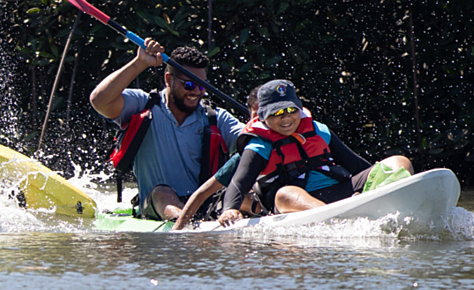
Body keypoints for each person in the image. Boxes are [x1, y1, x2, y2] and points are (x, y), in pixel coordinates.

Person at [216, 80, 414, 227]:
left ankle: (395, 206)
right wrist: (230, 209)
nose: (285, 118)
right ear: (262, 117)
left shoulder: (318, 130)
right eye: (276, 113)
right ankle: (337, 221)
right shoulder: (260, 144)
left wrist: (378, 179)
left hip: (339, 190)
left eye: (290, 110)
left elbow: (357, 166)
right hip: (295, 201)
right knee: (285, 193)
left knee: (398, 162)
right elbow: (239, 182)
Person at [90, 41, 242, 221]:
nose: (196, 92)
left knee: (247, 190)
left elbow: (249, 141)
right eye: (189, 85)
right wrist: (140, 63)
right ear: (168, 80)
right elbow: (99, 101)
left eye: (202, 86)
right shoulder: (142, 104)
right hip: (156, 205)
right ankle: (186, 224)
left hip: (204, 204)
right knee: (163, 192)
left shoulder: (215, 117)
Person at [171, 84, 264, 230]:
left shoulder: (306, 138)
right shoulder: (248, 153)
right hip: (229, 205)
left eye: (266, 115)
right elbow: (201, 193)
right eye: (257, 117)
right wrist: (177, 230)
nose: (262, 123)